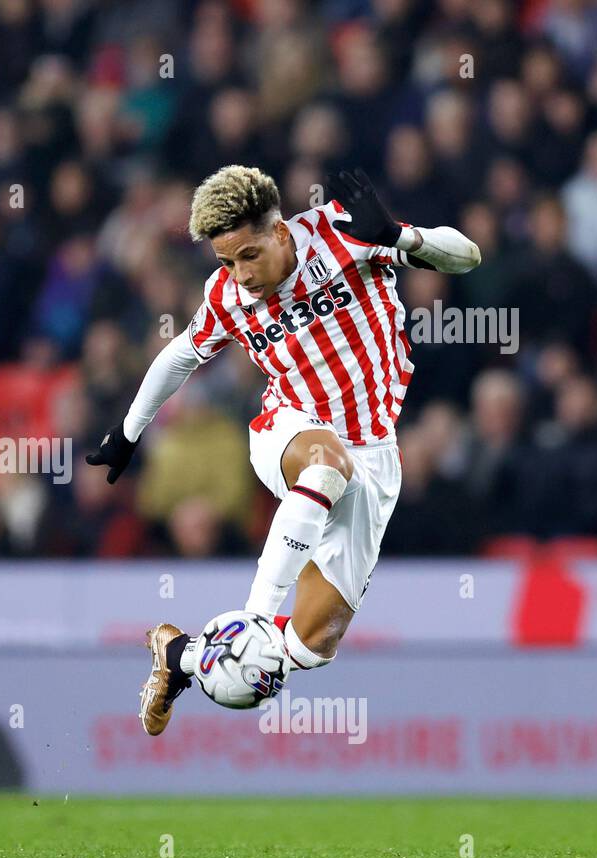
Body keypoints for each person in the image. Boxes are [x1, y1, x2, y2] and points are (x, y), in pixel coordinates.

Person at [87, 166, 480, 735]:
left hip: (374, 454)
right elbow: (179, 356)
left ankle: (182, 657)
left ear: (279, 231)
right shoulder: (227, 297)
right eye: (226, 262)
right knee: (326, 466)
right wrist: (127, 433)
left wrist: (398, 236)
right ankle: (251, 616)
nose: (241, 276)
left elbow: (466, 256)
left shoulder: (345, 235)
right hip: (290, 430)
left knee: (309, 647)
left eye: (248, 255)